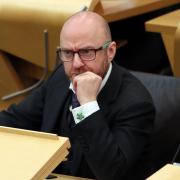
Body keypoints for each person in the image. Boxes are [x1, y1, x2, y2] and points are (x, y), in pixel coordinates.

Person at [0, 11, 155, 180]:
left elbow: (111, 172)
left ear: (110, 51)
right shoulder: (61, 76)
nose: (76, 64)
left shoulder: (136, 103)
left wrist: (87, 105)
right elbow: (16, 120)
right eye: (67, 53)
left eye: (87, 52)